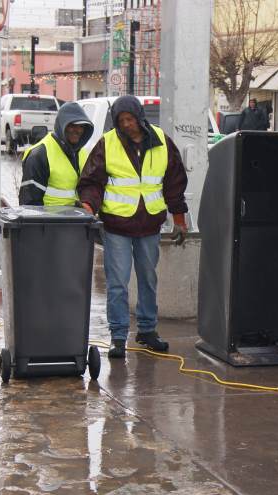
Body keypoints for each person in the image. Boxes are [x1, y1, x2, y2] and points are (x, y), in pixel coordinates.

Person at [77, 95, 189, 359]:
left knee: (148, 279)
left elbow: (174, 182)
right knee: (118, 283)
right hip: (117, 225)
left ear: (139, 117)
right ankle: (118, 336)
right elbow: (92, 181)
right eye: (121, 121)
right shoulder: (108, 143)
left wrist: (179, 219)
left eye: (130, 119)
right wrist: (89, 206)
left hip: (149, 224)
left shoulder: (161, 141)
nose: (126, 124)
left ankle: (147, 331)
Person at [19, 102, 94, 207]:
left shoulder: (82, 153)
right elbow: (29, 205)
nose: (77, 130)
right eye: (72, 125)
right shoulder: (40, 155)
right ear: (61, 126)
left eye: (81, 126)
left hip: (77, 216)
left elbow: (89, 186)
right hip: (50, 217)